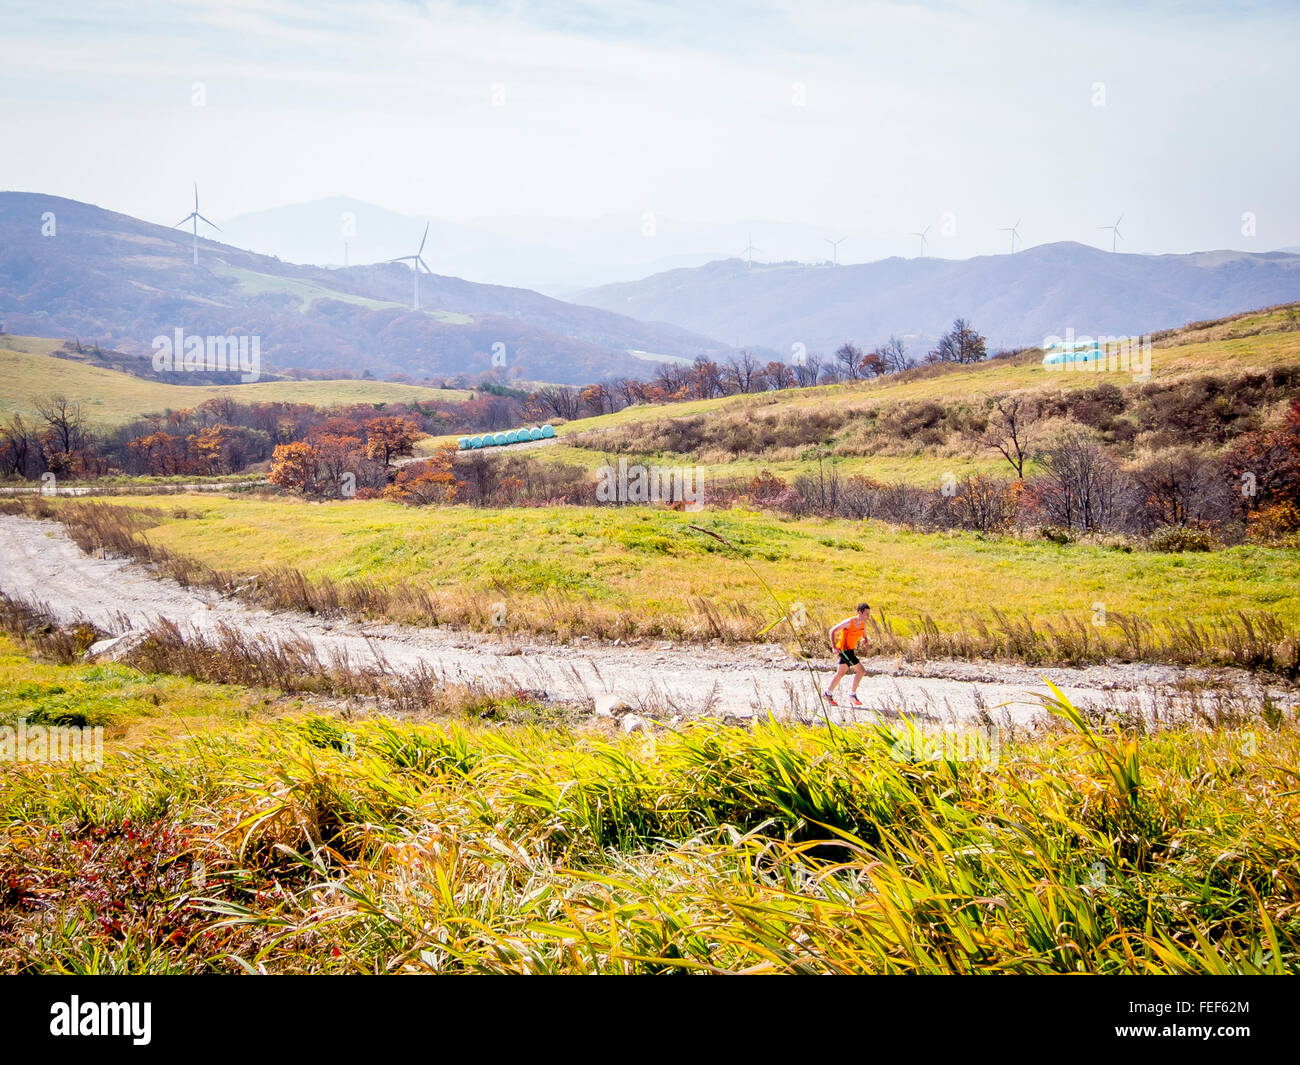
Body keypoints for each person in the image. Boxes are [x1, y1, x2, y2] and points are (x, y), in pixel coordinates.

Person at [823, 602, 871, 706]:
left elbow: (864, 636)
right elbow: (832, 630)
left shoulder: (863, 624)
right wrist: (834, 647)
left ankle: (827, 693)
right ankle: (852, 695)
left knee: (841, 673)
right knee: (861, 671)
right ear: (859, 612)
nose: (868, 616)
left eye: (869, 614)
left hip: (850, 650)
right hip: (844, 650)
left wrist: (865, 641)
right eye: (866, 614)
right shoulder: (849, 622)